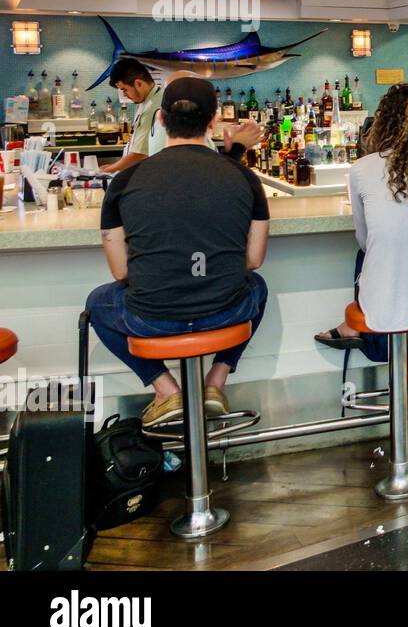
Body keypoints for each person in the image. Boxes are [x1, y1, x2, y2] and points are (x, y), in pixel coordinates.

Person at [86, 77, 270, 428]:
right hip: (225, 313)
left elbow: (120, 273)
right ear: (214, 121)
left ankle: (166, 388)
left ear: (160, 120)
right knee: (257, 287)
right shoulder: (244, 178)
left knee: (99, 302)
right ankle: (214, 383)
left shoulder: (125, 182)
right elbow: (254, 260)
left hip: (151, 319)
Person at [314, 84, 408, 361]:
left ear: (382, 123)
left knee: (369, 254)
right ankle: (404, 360)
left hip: (380, 307)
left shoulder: (360, 169)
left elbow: (364, 241)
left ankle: (386, 353)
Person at [99, 59, 161, 174]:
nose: (124, 95)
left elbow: (140, 154)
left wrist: (109, 170)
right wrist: (115, 166)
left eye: (124, 89)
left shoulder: (153, 108)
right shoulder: (146, 101)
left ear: (139, 84)